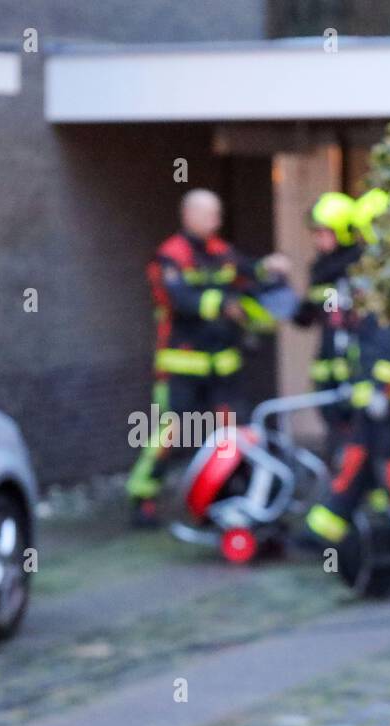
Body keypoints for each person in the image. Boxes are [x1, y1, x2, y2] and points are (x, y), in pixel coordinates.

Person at [126, 189, 289, 527]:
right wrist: (222, 304)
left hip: (224, 365)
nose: (216, 220)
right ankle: (143, 497)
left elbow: (250, 272)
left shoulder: (222, 252)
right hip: (182, 365)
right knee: (170, 432)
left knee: (234, 434)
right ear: (189, 215)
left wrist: (267, 267)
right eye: (209, 214)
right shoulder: (171, 255)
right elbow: (179, 298)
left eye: (218, 214)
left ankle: (229, 493)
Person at [303, 189, 390, 570]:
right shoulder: (375, 272)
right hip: (371, 397)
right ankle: (332, 532)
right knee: (358, 461)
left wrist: (378, 385)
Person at [293, 192, 366, 461]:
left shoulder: (359, 268)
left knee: (360, 434)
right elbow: (308, 316)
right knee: (336, 433)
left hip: (354, 365)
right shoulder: (320, 269)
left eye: (323, 232)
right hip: (327, 365)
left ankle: (371, 495)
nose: (317, 239)